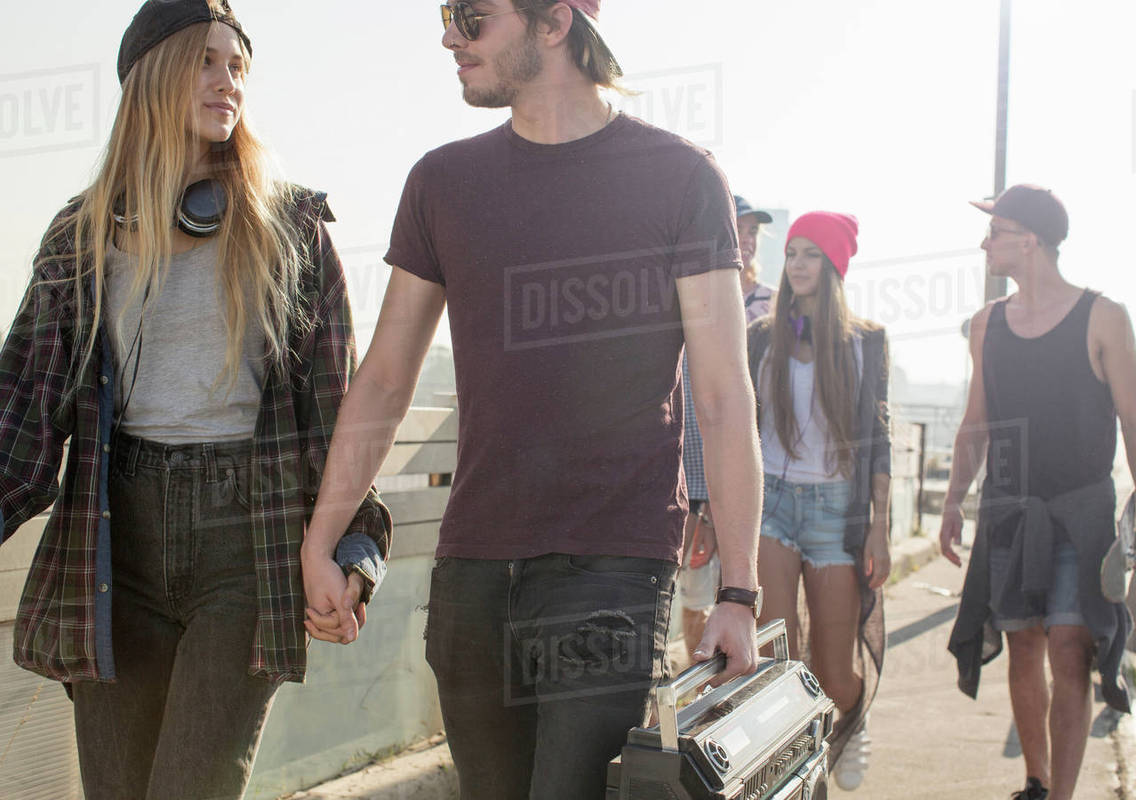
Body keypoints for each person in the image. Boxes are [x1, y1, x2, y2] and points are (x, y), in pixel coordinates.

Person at [299, 2, 763, 797]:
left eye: (471, 17)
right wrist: (322, 540)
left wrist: (739, 593)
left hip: (611, 573)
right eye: (446, 16)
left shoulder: (682, 177)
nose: (449, 36)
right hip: (473, 571)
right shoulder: (441, 181)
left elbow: (723, 395)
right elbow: (384, 378)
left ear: (554, 24)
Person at [0, 3, 390, 797]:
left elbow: (337, 414)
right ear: (152, 74)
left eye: (238, 65)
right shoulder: (80, 236)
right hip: (115, 547)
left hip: (245, 543)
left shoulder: (291, 229)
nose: (228, 82)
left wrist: (353, 553)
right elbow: (20, 418)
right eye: (206, 62)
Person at [942, 185, 1136, 800]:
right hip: (1010, 511)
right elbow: (976, 421)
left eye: (996, 230)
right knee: (1023, 644)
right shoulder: (986, 325)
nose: (985, 243)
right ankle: (1035, 782)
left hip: (1081, 512)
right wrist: (955, 501)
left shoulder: (1104, 316)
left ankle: (1059, 794)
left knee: (1069, 648)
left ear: (1029, 240)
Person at [747, 211, 891, 792]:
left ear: (833, 265)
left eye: (811, 254)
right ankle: (793, 771)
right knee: (778, 658)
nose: (798, 264)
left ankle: (849, 727)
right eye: (792, 253)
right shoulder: (761, 335)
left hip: (836, 513)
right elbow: (739, 429)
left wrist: (879, 527)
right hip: (772, 507)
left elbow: (877, 440)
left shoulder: (866, 342)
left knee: (835, 670)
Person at [678, 195, 775, 655]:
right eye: (741, 228)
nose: (749, 238)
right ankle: (698, 695)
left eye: (755, 230)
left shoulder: (774, 306)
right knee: (693, 594)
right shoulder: (692, 296)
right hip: (694, 471)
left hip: (751, 473)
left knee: (742, 595)